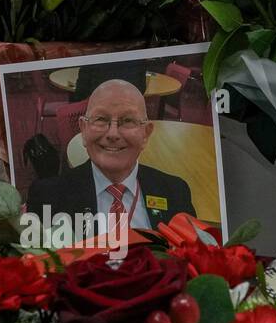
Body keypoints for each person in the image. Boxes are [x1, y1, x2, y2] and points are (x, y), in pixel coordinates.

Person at [26, 78, 194, 234]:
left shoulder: (175, 192)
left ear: (146, 134)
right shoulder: (47, 197)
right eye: (101, 119)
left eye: (128, 121)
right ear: (83, 129)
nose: (113, 134)